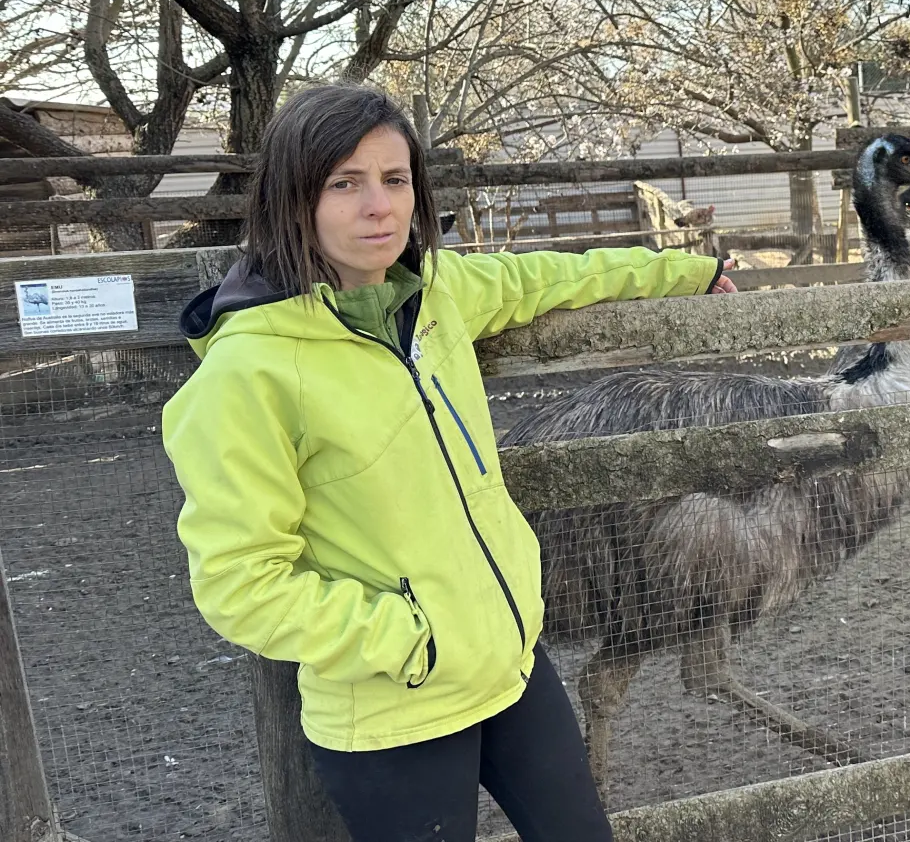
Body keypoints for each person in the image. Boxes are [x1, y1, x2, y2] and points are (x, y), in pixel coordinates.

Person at [160, 84, 736, 842]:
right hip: (396, 708)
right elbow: (240, 584)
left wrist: (685, 273)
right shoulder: (245, 378)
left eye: (395, 179)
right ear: (293, 199)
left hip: (509, 666)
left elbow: (549, 279)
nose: (380, 207)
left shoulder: (435, 295)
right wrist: (409, 640)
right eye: (344, 183)